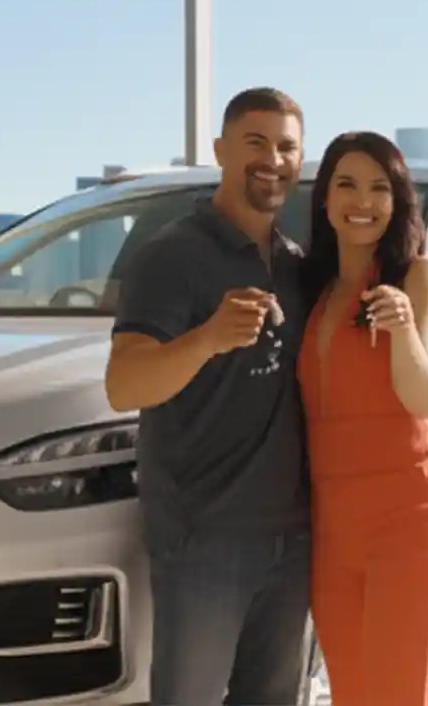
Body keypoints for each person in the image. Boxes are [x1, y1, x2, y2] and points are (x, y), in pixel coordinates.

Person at [104, 87, 312, 705]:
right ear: (220, 150)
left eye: (286, 146)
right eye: (255, 142)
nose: (271, 159)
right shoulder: (172, 257)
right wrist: (206, 340)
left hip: (295, 540)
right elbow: (124, 385)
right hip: (205, 539)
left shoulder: (298, 266)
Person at [297, 131, 428, 705]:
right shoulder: (311, 290)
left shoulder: (420, 278)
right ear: (324, 198)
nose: (361, 201)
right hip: (331, 528)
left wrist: (401, 330)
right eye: (346, 184)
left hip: (410, 521)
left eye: (379, 188)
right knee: (351, 696)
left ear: (397, 204)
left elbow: (424, 399)